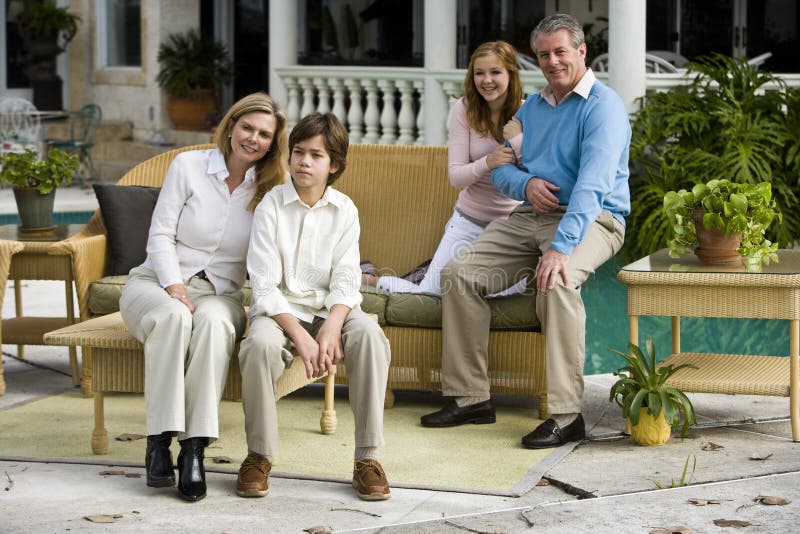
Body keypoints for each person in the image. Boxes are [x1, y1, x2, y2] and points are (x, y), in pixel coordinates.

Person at [420, 13, 630, 450]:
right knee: (459, 274)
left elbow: (592, 188)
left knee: (557, 282)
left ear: (581, 52)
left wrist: (560, 249)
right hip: (530, 216)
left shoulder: (603, 107)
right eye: (544, 54)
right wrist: (527, 184)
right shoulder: (531, 110)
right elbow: (504, 174)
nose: (552, 61)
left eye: (560, 51)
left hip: (594, 219)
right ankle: (471, 398)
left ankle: (567, 414)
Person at [119, 93, 288, 502]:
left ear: (272, 143)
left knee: (211, 324)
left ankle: (194, 448)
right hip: (155, 282)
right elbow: (159, 233)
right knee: (175, 317)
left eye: (265, 134)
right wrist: (174, 285)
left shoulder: (271, 190)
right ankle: (159, 440)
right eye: (247, 127)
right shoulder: (189, 166)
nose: (253, 138)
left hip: (220, 295)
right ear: (230, 126)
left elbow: (275, 256)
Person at [235, 112, 392, 501]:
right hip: (280, 311)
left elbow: (346, 278)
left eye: (316, 155)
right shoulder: (271, 205)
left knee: (370, 335)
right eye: (299, 152)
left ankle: (367, 459)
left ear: (334, 164)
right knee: (258, 346)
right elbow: (264, 286)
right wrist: (300, 339)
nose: (304, 162)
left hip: (328, 309)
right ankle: (259, 455)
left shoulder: (345, 210)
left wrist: (332, 325)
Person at [362, 41, 524, 295]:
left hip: (510, 227)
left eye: (495, 72)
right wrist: (488, 162)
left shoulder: (527, 113)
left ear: (511, 74)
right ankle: (371, 280)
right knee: (431, 293)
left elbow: (535, 172)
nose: (486, 80)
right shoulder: (464, 109)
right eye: (479, 73)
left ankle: (425, 271)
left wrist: (516, 140)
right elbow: (457, 177)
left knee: (501, 296)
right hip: (469, 221)